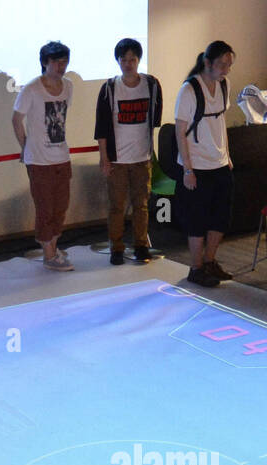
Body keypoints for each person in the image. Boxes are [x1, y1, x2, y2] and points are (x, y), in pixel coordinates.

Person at [94, 38, 163, 265]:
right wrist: (104, 158)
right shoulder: (110, 88)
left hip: (142, 158)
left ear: (139, 60)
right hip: (117, 159)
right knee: (116, 206)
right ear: (118, 61)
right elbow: (101, 127)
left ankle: (141, 246)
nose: (128, 64)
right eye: (123, 59)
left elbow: (154, 121)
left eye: (132, 59)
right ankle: (116, 247)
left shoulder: (151, 85)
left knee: (142, 205)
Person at [173, 42, 235, 288]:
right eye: (221, 65)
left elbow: (220, 123)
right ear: (207, 63)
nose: (226, 70)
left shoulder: (224, 85)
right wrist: (188, 169)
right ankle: (196, 267)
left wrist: (227, 156)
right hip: (196, 165)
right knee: (197, 218)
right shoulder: (189, 90)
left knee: (220, 217)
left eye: (229, 65)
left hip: (219, 162)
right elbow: (180, 131)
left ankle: (210, 261)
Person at [13, 42, 75, 272]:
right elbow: (16, 119)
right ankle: (49, 255)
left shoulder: (69, 86)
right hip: (38, 160)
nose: (62, 66)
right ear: (44, 63)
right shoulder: (31, 89)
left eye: (64, 61)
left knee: (61, 207)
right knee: (45, 208)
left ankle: (53, 248)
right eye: (56, 62)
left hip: (61, 156)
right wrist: (25, 146)